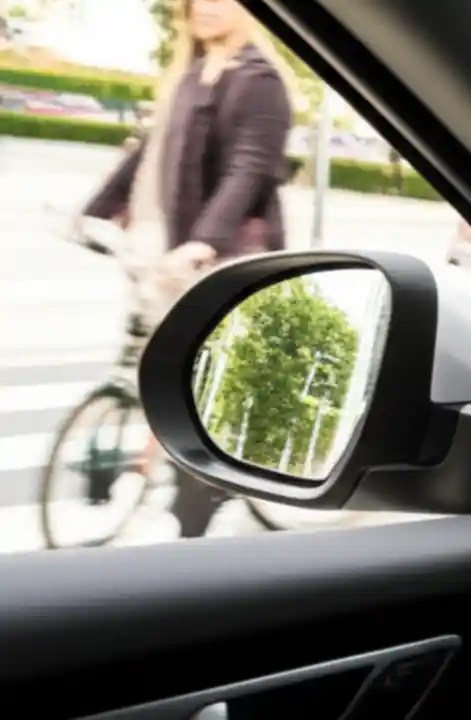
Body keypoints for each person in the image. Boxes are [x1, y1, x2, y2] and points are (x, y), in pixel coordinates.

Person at [79, 0, 295, 539]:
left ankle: (195, 519)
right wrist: (92, 212)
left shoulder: (259, 80)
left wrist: (204, 241)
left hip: (229, 262)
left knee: (197, 392)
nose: (208, 6)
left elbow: (248, 168)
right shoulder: (189, 75)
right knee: (161, 371)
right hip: (176, 260)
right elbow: (147, 153)